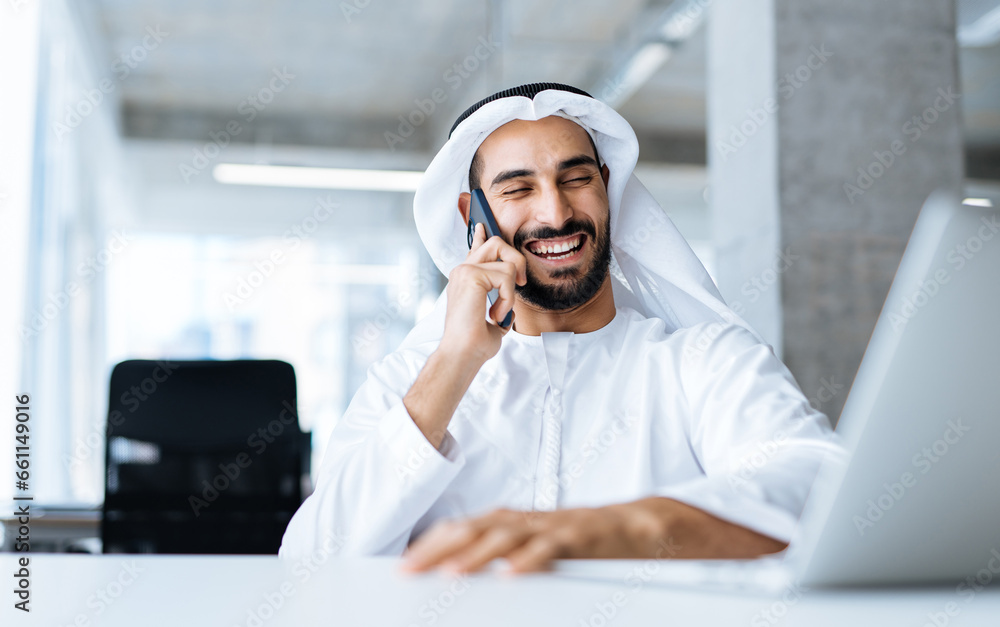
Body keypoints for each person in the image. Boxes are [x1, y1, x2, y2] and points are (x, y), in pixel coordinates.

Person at [278, 82, 843, 574]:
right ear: (471, 216)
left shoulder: (703, 360)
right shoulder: (408, 382)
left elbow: (820, 484)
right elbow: (309, 564)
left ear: (606, 188)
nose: (555, 213)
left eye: (574, 179)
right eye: (518, 189)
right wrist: (454, 362)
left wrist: (602, 533)